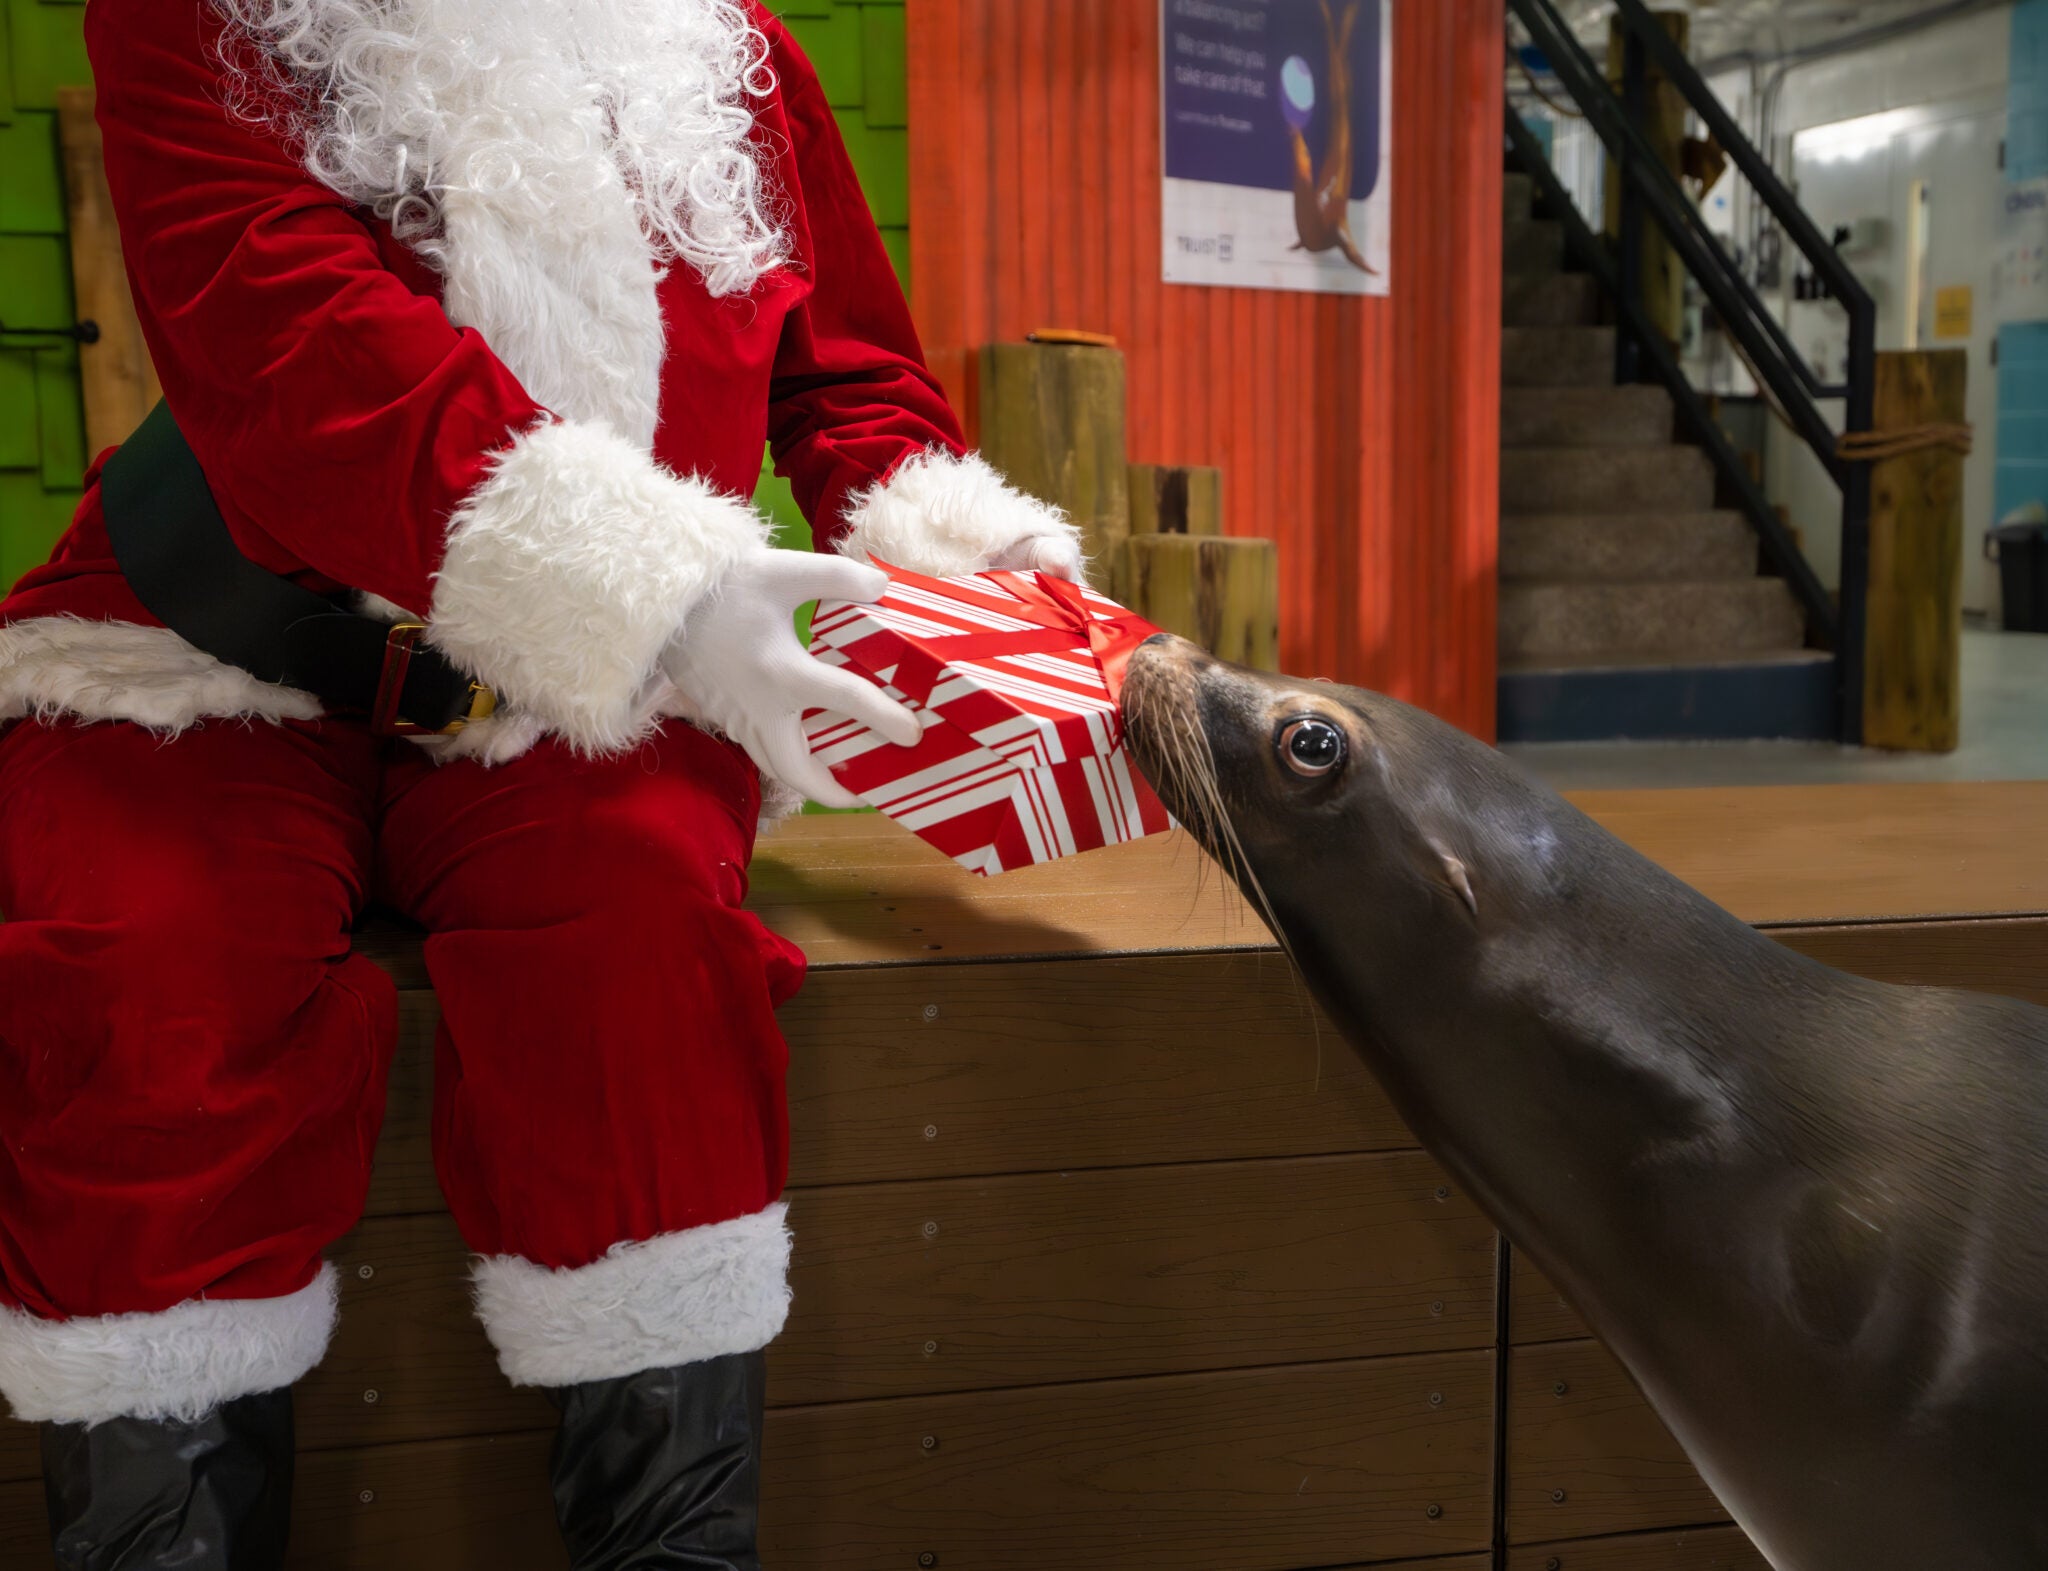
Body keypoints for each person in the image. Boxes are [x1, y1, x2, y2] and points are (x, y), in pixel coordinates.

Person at [0, 0, 1080, 1565]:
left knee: (641, 947)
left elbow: (850, 382)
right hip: (204, 646)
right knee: (146, 969)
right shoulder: (199, 16)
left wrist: (975, 590)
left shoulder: (739, 52)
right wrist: (679, 599)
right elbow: (298, 354)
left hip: (580, 684)